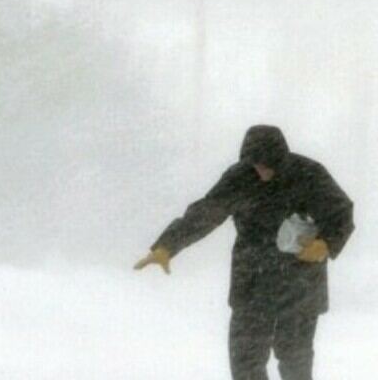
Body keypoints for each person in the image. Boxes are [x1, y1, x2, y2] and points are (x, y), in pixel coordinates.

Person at [134, 125, 355, 380]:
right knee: (245, 361)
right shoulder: (239, 178)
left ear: (281, 159)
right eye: (256, 165)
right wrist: (167, 246)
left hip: (300, 280)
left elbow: (341, 213)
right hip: (252, 280)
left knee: (295, 360)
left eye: (269, 165)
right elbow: (207, 212)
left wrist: (326, 244)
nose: (262, 171)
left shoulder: (308, 174)